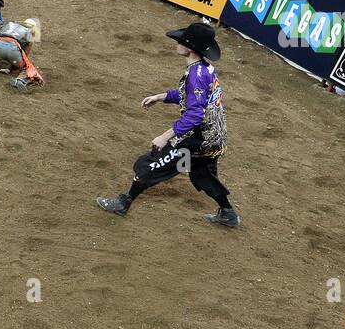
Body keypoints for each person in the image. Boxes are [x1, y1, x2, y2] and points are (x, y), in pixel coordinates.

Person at [96, 23, 239, 227]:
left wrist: (166, 136)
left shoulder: (195, 76)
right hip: (215, 136)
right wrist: (162, 96)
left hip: (198, 137)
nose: (176, 43)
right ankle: (228, 213)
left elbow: (194, 114)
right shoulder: (205, 69)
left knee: (151, 163)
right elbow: (191, 97)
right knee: (202, 174)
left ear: (189, 48)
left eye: (180, 40)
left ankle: (123, 203)